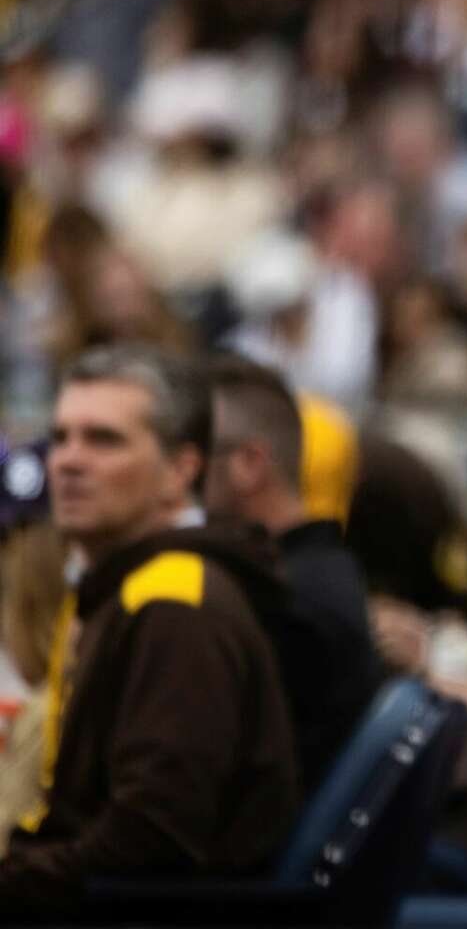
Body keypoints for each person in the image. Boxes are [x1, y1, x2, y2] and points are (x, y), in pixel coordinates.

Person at [0, 346, 298, 917]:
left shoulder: (177, 606)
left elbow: (151, 840)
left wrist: (12, 873)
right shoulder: (130, 587)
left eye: (103, 440)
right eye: (61, 437)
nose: (67, 461)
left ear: (180, 469)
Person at [203, 354, 380, 792]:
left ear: (249, 464)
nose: (176, 471)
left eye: (191, 451)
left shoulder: (285, 606)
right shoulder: (318, 572)